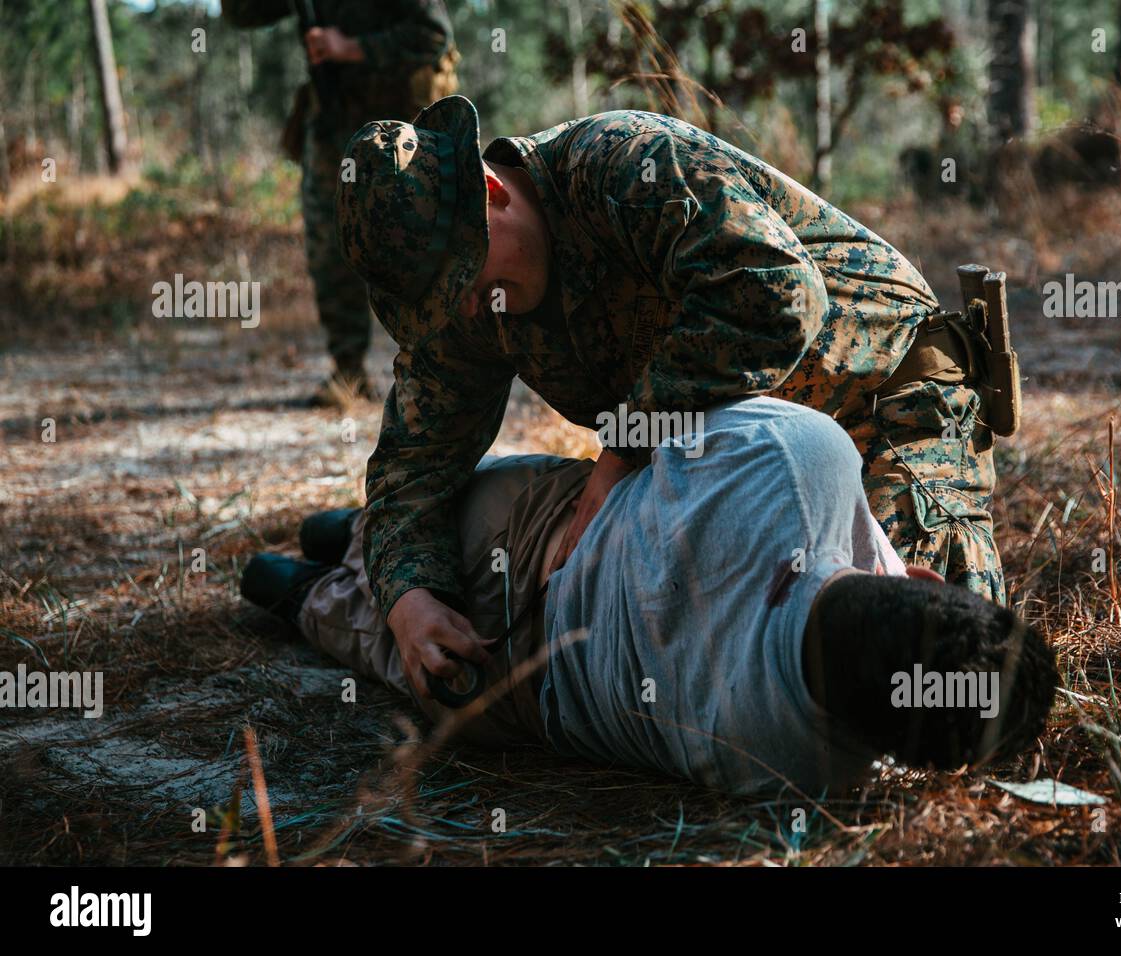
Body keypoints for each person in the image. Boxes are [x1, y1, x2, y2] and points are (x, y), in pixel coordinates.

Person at [333, 96, 1010, 702]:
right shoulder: (464, 307)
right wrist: (410, 600)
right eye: (440, 300)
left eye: (464, 278)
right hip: (736, 462)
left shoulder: (623, 163)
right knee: (729, 647)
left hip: (886, 395)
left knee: (923, 671)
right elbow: (410, 474)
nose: (466, 307)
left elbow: (776, 296)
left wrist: (624, 448)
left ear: (491, 192)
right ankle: (325, 565)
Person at [241, 398, 1056, 796]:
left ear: (920, 580)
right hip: (507, 685)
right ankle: (309, 584)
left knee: (408, 524)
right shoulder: (803, 773)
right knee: (321, 602)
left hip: (527, 529)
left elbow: (653, 409)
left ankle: (348, 533)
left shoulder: (801, 452)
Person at [223, 0, 459, 404]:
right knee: (329, 247)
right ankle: (348, 371)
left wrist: (351, 47)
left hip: (397, 131)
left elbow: (434, 36)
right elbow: (243, 13)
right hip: (331, 126)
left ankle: (439, 370)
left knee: (415, 246)